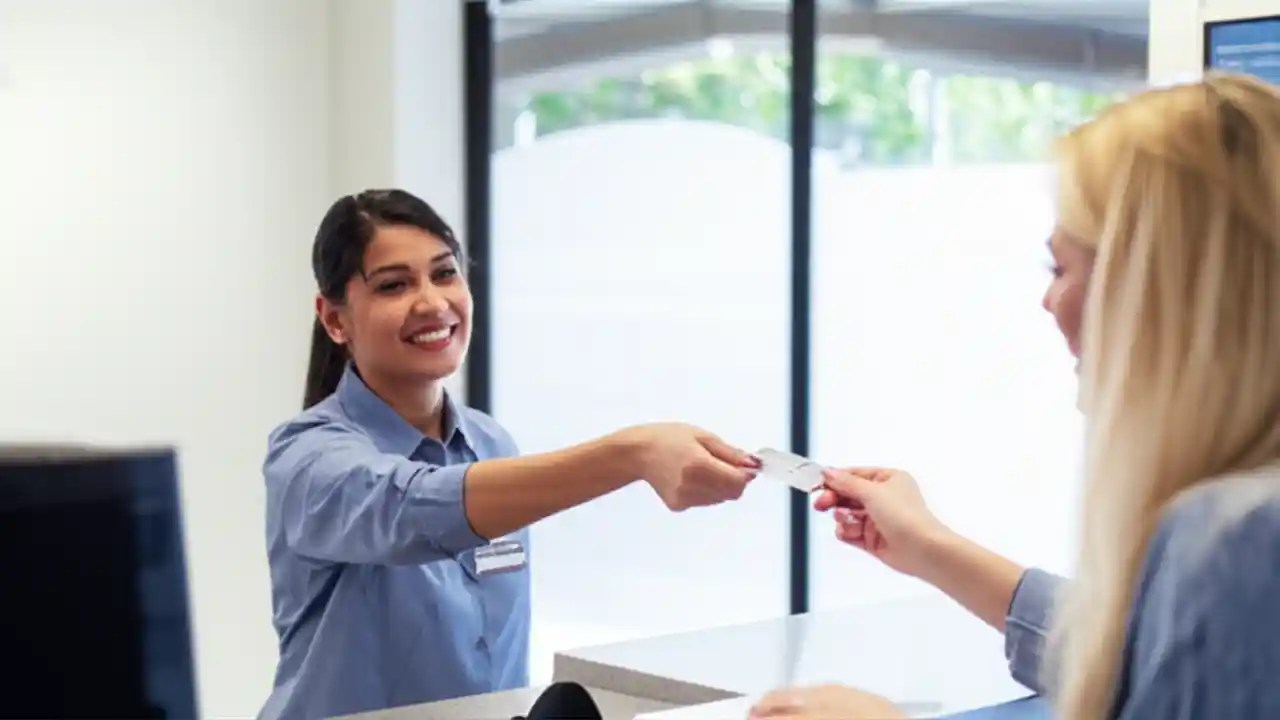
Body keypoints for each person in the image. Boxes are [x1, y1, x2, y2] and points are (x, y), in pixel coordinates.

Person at [750, 73, 1280, 720]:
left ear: (1159, 289)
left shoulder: (1238, 541)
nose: (1048, 302)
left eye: (1060, 268)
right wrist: (930, 546)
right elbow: (1139, 657)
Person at [259, 189, 760, 720]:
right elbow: (414, 507)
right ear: (335, 319)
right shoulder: (306, 457)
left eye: (445, 273)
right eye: (394, 285)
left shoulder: (490, 443)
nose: (432, 302)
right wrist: (633, 454)